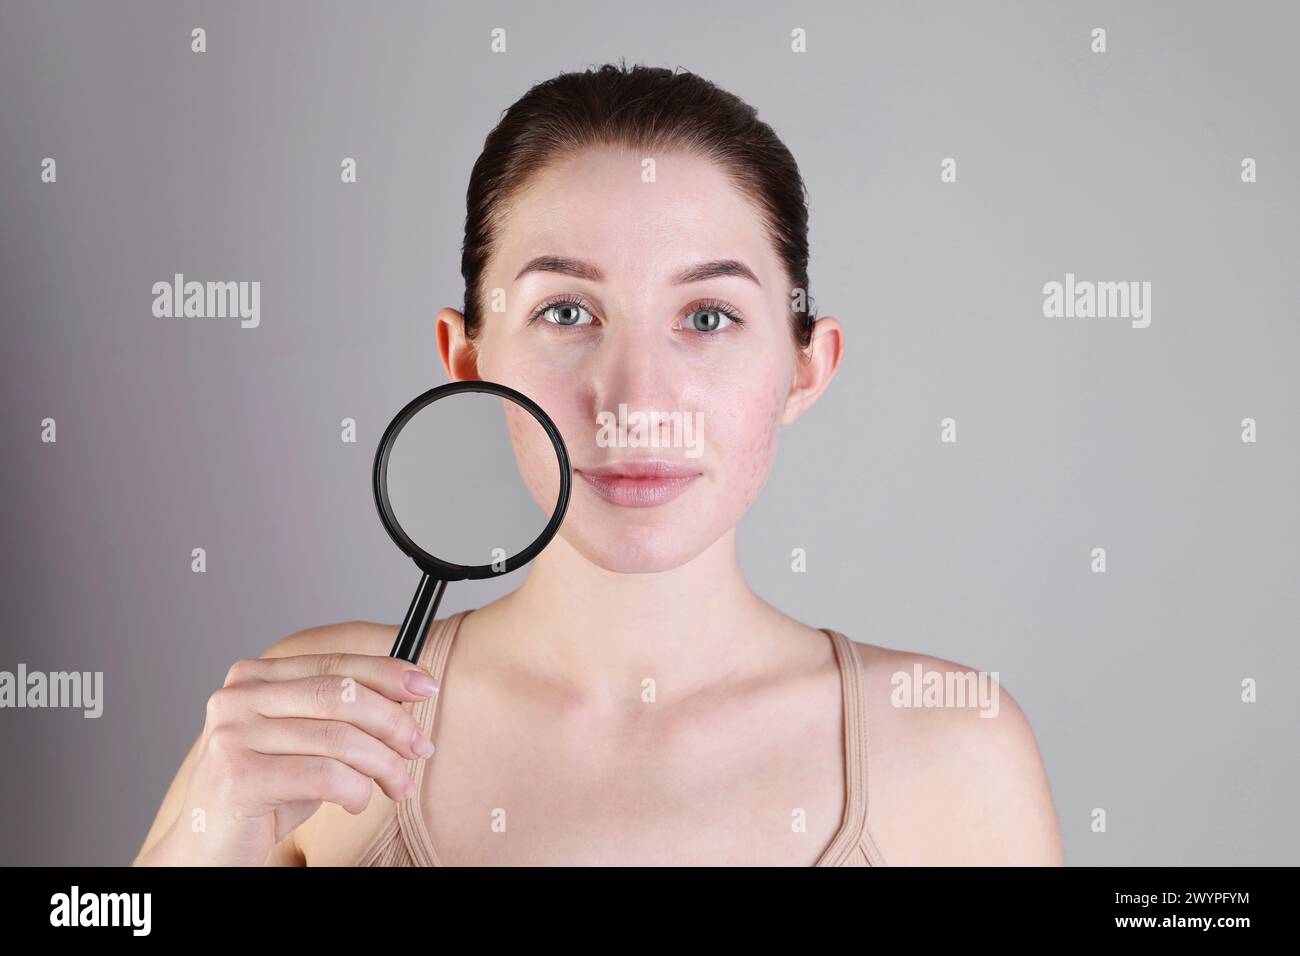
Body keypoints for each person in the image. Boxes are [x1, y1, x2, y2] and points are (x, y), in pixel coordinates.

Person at [133, 62, 1063, 867]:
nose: (635, 402)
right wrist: (209, 831)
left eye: (708, 318)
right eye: (567, 312)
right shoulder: (319, 707)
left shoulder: (953, 746)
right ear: (470, 361)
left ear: (805, 366)